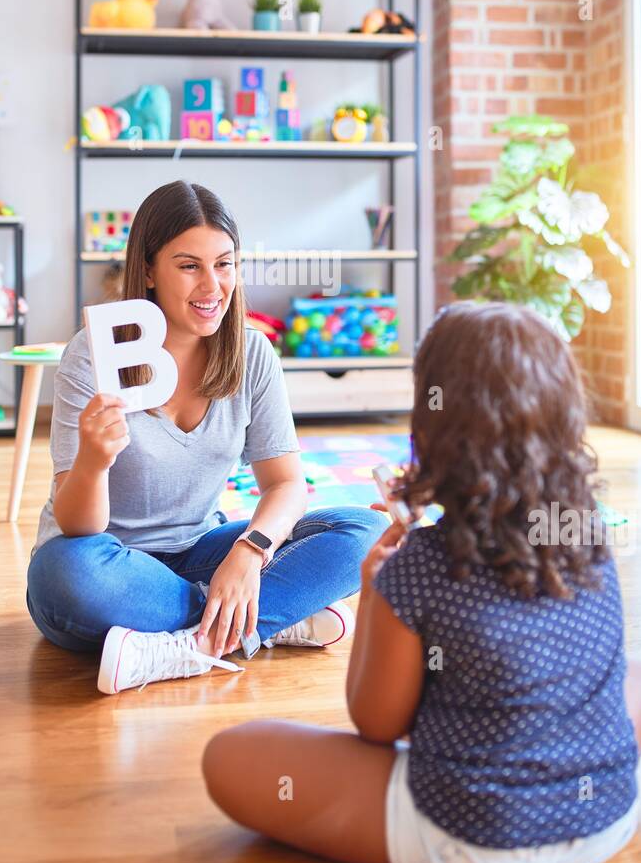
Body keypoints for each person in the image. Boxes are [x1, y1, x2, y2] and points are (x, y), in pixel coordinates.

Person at [203, 301, 641, 863]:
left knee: (232, 756)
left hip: (471, 838)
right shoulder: (588, 534)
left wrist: (374, 589)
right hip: (604, 820)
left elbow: (376, 725)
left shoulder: (419, 566)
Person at [26, 180, 384, 694]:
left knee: (364, 535)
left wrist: (249, 555)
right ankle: (259, 623)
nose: (212, 286)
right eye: (189, 265)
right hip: (106, 563)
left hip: (199, 549)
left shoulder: (253, 354)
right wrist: (92, 463)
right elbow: (79, 525)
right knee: (64, 574)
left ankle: (182, 646)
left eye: (225, 264)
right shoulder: (92, 357)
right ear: (148, 269)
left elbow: (286, 486)